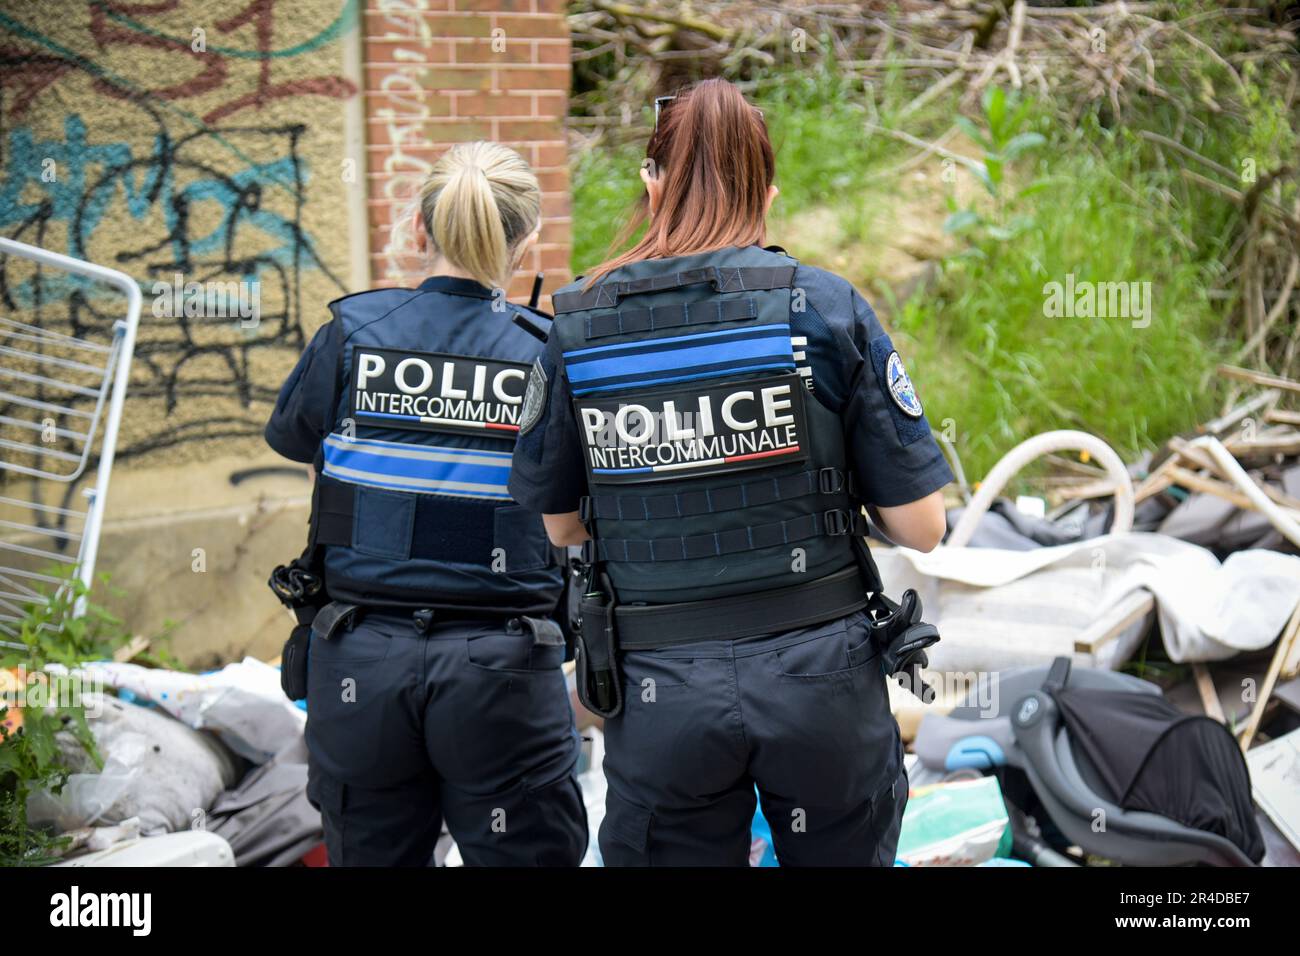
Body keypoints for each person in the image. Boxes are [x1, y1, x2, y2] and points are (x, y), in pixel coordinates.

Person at [508, 79, 951, 867]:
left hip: (660, 692)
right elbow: (923, 525)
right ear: (769, 191)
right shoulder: (824, 306)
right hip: (821, 680)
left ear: (651, 185)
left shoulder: (576, 324)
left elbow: (560, 525)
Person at [265, 142, 587, 867]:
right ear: (528, 242)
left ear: (419, 230)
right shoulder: (548, 353)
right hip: (500, 671)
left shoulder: (352, 334)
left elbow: (304, 450)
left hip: (359, 663)